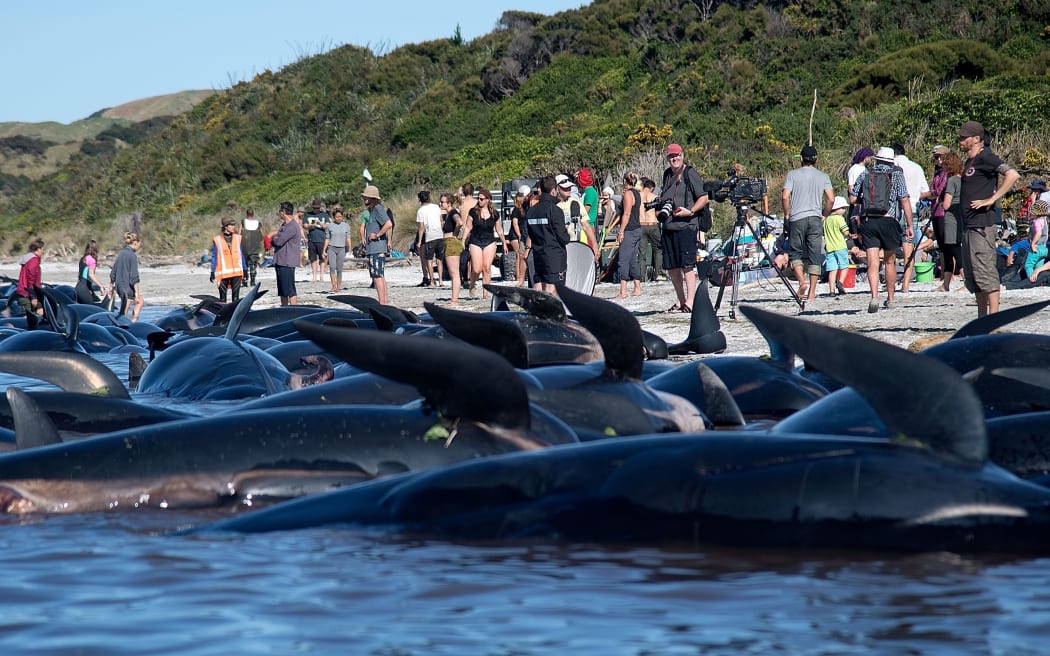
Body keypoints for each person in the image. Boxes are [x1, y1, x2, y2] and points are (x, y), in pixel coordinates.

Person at [958, 120, 1019, 316]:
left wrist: (992, 198)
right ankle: (981, 316)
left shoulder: (987, 157)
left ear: (977, 139)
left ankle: (993, 316)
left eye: (964, 137)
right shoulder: (970, 161)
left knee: (985, 271)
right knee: (973, 275)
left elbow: (1012, 174)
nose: (960, 140)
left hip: (982, 225)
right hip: (968, 225)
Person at [851, 146, 913, 313]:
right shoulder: (897, 174)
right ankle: (891, 298)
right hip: (889, 221)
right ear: (891, 160)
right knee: (890, 261)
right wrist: (909, 225)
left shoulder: (865, 173)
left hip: (869, 221)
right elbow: (905, 200)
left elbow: (853, 198)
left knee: (872, 262)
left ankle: (874, 296)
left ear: (877, 159)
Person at [659, 143, 709, 313]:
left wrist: (691, 211)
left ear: (682, 155)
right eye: (672, 156)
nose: (675, 159)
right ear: (667, 158)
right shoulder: (666, 175)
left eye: (677, 155)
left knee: (687, 265)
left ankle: (690, 301)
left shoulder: (690, 173)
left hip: (686, 225)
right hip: (668, 226)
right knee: (672, 267)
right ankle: (681, 301)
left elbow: (704, 197)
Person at [782, 145, 834, 302]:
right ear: (816, 160)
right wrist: (824, 214)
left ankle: (801, 282)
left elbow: (785, 196)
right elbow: (831, 199)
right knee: (814, 256)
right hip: (815, 218)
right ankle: (812, 292)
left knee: (795, 252)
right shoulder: (823, 176)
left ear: (801, 159)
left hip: (797, 217)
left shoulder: (792, 175)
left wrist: (786, 214)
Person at [892, 144, 931, 293]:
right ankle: (906, 285)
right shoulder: (917, 167)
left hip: (894, 211)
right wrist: (913, 196)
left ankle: (889, 280)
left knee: (889, 247)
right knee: (909, 247)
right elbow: (926, 192)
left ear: (893, 154)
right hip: (912, 210)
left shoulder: (892, 165)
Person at [525, 175, 571, 294]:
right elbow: (563, 238)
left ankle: (538, 311)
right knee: (553, 291)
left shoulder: (531, 211)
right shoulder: (555, 210)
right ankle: (550, 312)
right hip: (554, 256)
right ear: (554, 191)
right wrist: (568, 233)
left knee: (539, 288)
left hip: (538, 255)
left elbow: (529, 233)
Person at [461, 187, 507, 300]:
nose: (479, 201)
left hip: (489, 241)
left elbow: (499, 230)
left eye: (482, 199)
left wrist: (504, 243)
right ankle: (472, 284)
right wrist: (463, 240)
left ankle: (485, 291)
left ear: (488, 200)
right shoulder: (473, 211)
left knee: (486, 267)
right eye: (479, 199)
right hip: (475, 241)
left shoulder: (494, 213)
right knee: (477, 268)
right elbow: (467, 227)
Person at [608, 172, 643, 298]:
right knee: (633, 259)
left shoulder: (628, 194)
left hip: (629, 230)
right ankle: (637, 287)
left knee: (623, 259)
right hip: (637, 228)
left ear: (624, 180)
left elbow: (626, 213)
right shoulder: (637, 193)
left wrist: (621, 231)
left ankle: (623, 291)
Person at [361, 184, 393, 305]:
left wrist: (377, 235)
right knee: (379, 275)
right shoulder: (373, 210)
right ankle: (384, 302)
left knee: (377, 276)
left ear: (372, 198)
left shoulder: (378, 209)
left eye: (367, 197)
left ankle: (382, 303)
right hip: (374, 248)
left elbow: (388, 224)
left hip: (376, 248)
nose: (365, 199)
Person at [937, 151, 965, 291]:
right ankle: (946, 284)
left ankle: (967, 282)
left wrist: (940, 203)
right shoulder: (962, 179)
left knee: (954, 249)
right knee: (949, 249)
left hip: (951, 218)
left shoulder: (952, 180)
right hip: (960, 216)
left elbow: (947, 204)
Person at [269, 201, 301, 306]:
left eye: (280, 211)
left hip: (287, 262)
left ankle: (293, 310)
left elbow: (279, 241)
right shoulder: (284, 225)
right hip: (280, 260)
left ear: (283, 212)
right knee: (282, 290)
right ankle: (284, 309)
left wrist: (272, 239)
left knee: (290, 289)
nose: (279, 213)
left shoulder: (292, 226)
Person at [210, 216, 248, 303]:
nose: (233, 227)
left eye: (234, 225)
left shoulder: (238, 238)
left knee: (236, 298)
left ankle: (235, 315)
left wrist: (245, 270)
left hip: (237, 272)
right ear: (225, 227)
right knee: (222, 299)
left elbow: (241, 255)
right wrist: (212, 271)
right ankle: (224, 315)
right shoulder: (217, 239)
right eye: (231, 225)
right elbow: (214, 256)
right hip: (223, 273)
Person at [110, 232, 144, 321]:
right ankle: (132, 324)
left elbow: (113, 271)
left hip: (119, 285)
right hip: (126, 287)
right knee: (124, 312)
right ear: (135, 242)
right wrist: (136, 293)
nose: (140, 246)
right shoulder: (132, 256)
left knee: (137, 302)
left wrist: (111, 286)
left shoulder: (121, 253)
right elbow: (134, 277)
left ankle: (129, 322)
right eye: (140, 243)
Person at [415, 190, 445, 289]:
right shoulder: (436, 207)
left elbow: (421, 227)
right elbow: (441, 221)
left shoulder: (421, 211)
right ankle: (440, 280)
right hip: (440, 235)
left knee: (429, 260)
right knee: (439, 259)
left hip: (430, 236)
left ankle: (432, 281)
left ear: (420, 199)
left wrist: (419, 241)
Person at [823, 196, 852, 297]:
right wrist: (849, 234)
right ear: (837, 209)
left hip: (830, 248)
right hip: (840, 246)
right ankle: (840, 282)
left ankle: (831, 290)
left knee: (832, 269)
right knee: (844, 266)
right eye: (843, 208)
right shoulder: (840, 219)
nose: (844, 210)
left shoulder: (826, 220)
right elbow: (845, 232)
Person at [439, 193, 464, 306]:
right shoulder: (448, 214)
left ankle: (454, 300)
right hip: (449, 242)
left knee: (454, 273)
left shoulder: (453, 213)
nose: (440, 204)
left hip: (451, 242)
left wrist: (455, 234)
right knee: (453, 272)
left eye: (442, 202)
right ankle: (454, 299)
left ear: (449, 203)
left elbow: (460, 222)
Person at [14, 237, 45, 327]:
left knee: (41, 312)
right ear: (38, 249)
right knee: (26, 320)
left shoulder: (30, 260)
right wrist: (34, 297)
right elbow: (31, 279)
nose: (43, 251)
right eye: (43, 249)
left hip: (31, 292)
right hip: (27, 294)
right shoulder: (33, 261)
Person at [637, 177, 663, 282]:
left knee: (641, 253)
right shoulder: (655, 197)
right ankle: (658, 274)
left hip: (641, 225)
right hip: (653, 224)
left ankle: (641, 277)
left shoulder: (637, 197)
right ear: (652, 188)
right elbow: (658, 213)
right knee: (658, 250)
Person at [323, 209, 352, 293]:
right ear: (334, 217)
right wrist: (324, 250)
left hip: (342, 248)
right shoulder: (330, 226)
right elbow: (327, 238)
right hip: (331, 247)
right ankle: (333, 285)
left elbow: (348, 237)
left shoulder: (346, 225)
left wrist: (350, 247)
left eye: (340, 216)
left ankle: (338, 286)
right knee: (332, 267)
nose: (339, 218)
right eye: (337, 217)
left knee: (339, 268)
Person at [303, 199, 330, 283]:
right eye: (315, 208)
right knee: (313, 258)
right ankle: (314, 276)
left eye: (317, 208)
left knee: (322, 257)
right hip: (312, 238)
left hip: (322, 238)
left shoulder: (324, 214)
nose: (316, 210)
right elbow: (304, 225)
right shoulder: (307, 214)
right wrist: (311, 225)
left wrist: (321, 224)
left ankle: (321, 275)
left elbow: (328, 226)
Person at [509, 186, 531, 285]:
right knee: (520, 255)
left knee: (520, 255)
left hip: (523, 233)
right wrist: (519, 235)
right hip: (518, 234)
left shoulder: (526, 206)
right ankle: (518, 276)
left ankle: (520, 276)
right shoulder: (516, 210)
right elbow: (515, 223)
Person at [1025, 199, 1050, 281]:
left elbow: (1038, 233)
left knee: (1028, 265)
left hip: (1037, 247)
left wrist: (1033, 243)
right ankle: (1039, 280)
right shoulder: (1045, 220)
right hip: (1044, 248)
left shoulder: (1037, 221)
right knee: (1039, 266)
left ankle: (1031, 280)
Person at [75, 239, 105, 304]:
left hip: (78, 287)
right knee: (91, 307)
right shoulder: (91, 260)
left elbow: (79, 275)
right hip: (83, 288)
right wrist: (101, 286)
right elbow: (91, 275)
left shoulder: (83, 258)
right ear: (96, 248)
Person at [241, 208, 264, 286]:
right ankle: (253, 281)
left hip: (245, 246)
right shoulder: (258, 223)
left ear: (246, 214)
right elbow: (262, 234)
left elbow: (238, 233)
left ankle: (245, 280)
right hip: (255, 246)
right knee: (253, 264)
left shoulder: (243, 222)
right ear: (253, 214)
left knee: (244, 264)